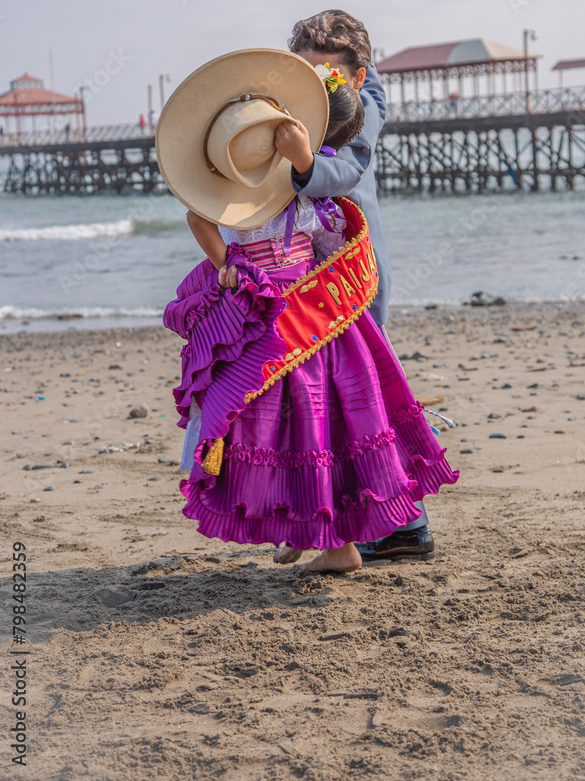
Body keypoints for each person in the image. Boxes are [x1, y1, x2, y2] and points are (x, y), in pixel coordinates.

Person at [157, 48, 458, 574]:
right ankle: (323, 539)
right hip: (315, 323)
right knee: (322, 429)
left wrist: (227, 261)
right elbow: (335, 241)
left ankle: (329, 543)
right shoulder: (305, 199)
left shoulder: (233, 206)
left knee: (275, 430)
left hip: (266, 328)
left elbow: (195, 215)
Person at [285, 10, 437, 562]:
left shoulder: (365, 106)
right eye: (308, 73)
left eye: (329, 74)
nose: (318, 84)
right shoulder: (305, 100)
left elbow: (345, 170)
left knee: (362, 400)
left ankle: (403, 522)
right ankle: (389, 522)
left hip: (356, 272)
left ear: (358, 70)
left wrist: (299, 166)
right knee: (348, 404)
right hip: (317, 274)